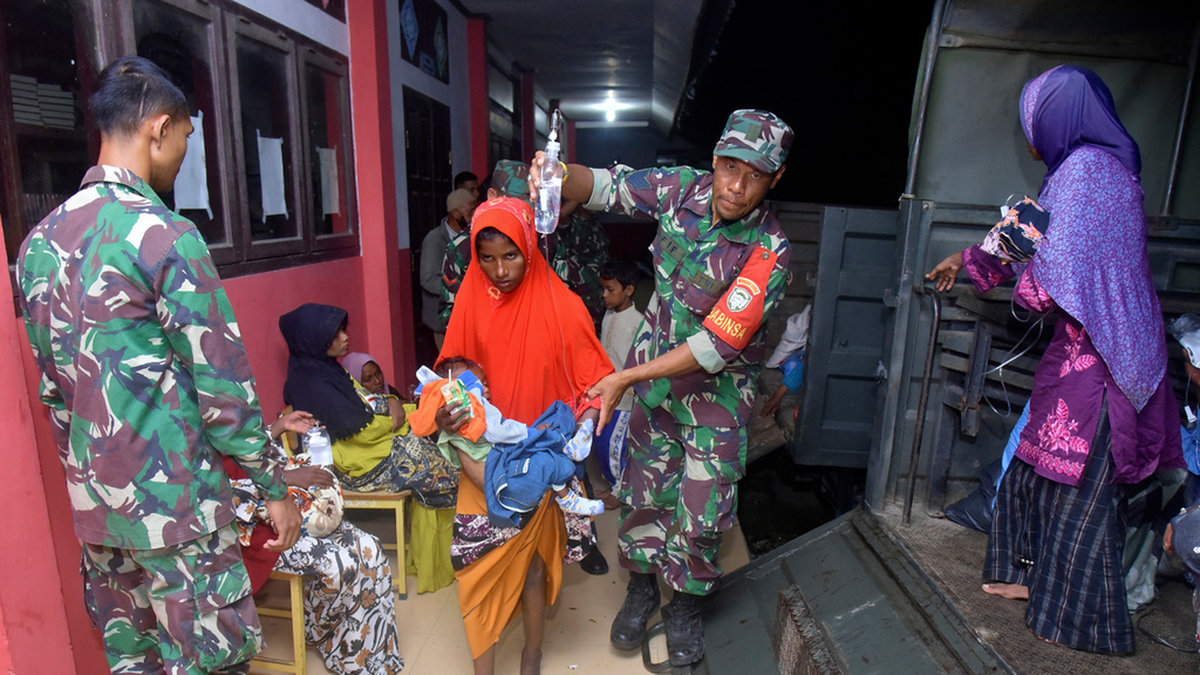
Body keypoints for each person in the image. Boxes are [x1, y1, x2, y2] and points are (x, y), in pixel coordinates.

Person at [14, 56, 301, 673]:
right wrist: (274, 488)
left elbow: (55, 393)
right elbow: (223, 389)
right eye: (187, 140)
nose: (182, 157)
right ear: (159, 128)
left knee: (136, 663)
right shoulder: (165, 235)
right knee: (212, 663)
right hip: (179, 514)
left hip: (100, 512)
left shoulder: (38, 244)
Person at [926, 65, 1183, 654]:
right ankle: (1024, 578)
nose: (1030, 138)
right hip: (1104, 347)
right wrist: (968, 262)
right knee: (1038, 464)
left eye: (1034, 123)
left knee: (1077, 489)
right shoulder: (1105, 172)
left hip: (1101, 361)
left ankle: (1081, 623)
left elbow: (1045, 281)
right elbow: (1037, 236)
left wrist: (1018, 285)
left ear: (1059, 119)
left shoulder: (1085, 175)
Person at [532, 108, 795, 667]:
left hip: (715, 407)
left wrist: (624, 377)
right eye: (729, 166)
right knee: (642, 498)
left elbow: (711, 348)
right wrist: (555, 174)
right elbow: (603, 186)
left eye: (754, 175)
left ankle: (684, 605)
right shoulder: (682, 190)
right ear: (716, 159)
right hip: (657, 397)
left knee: (701, 516)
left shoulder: (770, 251)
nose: (736, 185)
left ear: (775, 179)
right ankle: (643, 588)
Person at [434, 196, 614, 674]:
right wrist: (446, 415)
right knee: (477, 571)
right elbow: (450, 383)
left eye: (511, 255)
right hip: (481, 458)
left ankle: (532, 654)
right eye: (487, 257)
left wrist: (585, 424)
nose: (499, 270)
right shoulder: (470, 300)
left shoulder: (563, 306)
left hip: (539, 460)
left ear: (531, 248)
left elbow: (594, 384)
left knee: (532, 564)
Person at [226, 409, 404, 674]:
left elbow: (242, 450)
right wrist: (285, 478)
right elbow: (211, 485)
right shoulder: (181, 421)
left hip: (289, 509)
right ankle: (330, 637)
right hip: (253, 530)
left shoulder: (221, 402)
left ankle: (374, 655)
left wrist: (278, 427)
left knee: (370, 549)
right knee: (339, 564)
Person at [279, 303, 457, 507]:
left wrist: (393, 402)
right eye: (334, 335)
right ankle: (446, 530)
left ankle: (436, 527)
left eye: (343, 330)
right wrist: (402, 419)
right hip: (355, 466)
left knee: (433, 447)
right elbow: (362, 431)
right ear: (313, 339)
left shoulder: (331, 370)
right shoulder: (315, 385)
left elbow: (366, 400)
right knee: (437, 465)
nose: (345, 337)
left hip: (365, 449)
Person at [409, 356, 604, 524]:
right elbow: (500, 434)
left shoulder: (478, 410)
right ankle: (567, 455)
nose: (485, 389)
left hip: (510, 459)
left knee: (558, 416)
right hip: (504, 471)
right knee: (550, 450)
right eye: (476, 385)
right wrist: (532, 433)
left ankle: (572, 443)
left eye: (485, 383)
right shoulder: (468, 415)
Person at [439, 160, 530, 329]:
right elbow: (449, 315)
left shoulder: (542, 240)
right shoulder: (463, 246)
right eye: (488, 258)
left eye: (527, 204)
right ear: (492, 197)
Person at [591, 258, 644, 505]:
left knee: (615, 445)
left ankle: (619, 492)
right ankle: (614, 484)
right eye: (603, 289)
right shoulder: (609, 314)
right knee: (601, 441)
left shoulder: (637, 323)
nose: (604, 295)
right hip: (606, 393)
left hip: (625, 398)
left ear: (629, 290)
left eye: (610, 290)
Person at [422, 188, 476, 347]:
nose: (474, 213)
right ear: (455, 212)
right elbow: (428, 279)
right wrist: (461, 289)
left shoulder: (471, 235)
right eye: (470, 209)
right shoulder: (435, 239)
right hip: (444, 322)